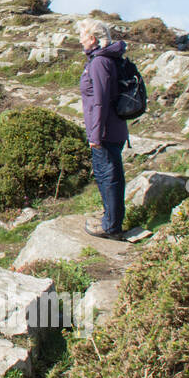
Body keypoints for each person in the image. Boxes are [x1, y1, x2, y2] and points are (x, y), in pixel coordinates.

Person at [77, 18, 129, 240]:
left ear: (93, 39)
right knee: (109, 174)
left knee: (108, 176)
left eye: (82, 36)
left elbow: (100, 101)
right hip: (112, 127)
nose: (80, 41)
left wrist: (95, 135)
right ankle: (111, 217)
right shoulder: (106, 59)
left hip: (105, 131)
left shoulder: (99, 63)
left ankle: (111, 227)